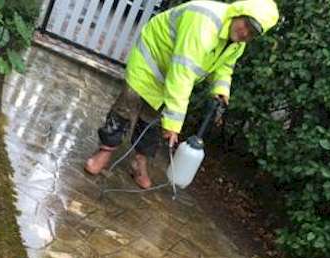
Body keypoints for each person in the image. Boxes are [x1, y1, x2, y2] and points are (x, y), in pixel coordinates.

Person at [85, 0, 279, 188]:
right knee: (128, 105)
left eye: (252, 33)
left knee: (152, 118)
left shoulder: (237, 43)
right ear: (238, 13)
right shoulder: (204, 23)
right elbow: (182, 74)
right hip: (151, 61)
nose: (245, 33)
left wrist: (221, 89)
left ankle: (139, 162)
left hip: (172, 72)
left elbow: (225, 65)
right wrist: (174, 124)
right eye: (246, 25)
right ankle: (105, 151)